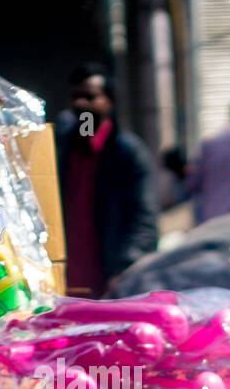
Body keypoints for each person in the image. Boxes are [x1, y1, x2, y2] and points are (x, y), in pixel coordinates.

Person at [56, 63, 158, 297]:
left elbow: (145, 221)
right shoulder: (62, 149)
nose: (80, 104)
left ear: (108, 102)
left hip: (111, 283)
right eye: (75, 96)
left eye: (89, 97)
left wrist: (126, 269)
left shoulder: (129, 153)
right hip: (66, 285)